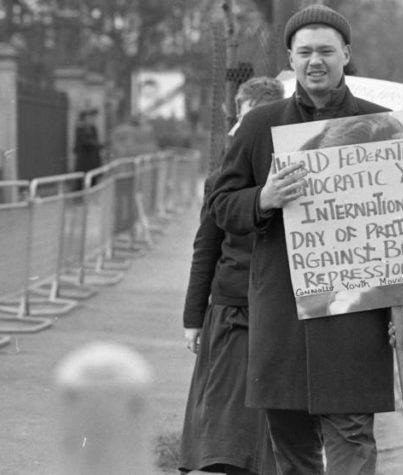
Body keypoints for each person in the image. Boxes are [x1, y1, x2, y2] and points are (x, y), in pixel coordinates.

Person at [208, 5, 403, 474]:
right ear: (289, 58)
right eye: (305, 51)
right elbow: (220, 207)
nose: (316, 61)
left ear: (346, 55)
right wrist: (262, 198)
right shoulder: (258, 125)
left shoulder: (383, 125)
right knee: (292, 451)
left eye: (326, 51)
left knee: (352, 438)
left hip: (354, 319)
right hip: (282, 317)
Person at [179, 76, 285, 475]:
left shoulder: (304, 178)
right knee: (221, 432)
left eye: (251, 120)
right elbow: (206, 248)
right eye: (239, 120)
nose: (241, 130)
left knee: (270, 434)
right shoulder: (222, 179)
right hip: (230, 311)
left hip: (279, 314)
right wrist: (193, 318)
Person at [73, 108, 102, 173]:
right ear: (84, 119)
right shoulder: (80, 129)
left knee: (93, 179)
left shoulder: (93, 129)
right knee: (84, 180)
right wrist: (98, 145)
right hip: (84, 164)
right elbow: (85, 143)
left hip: (93, 163)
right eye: (89, 118)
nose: (92, 120)